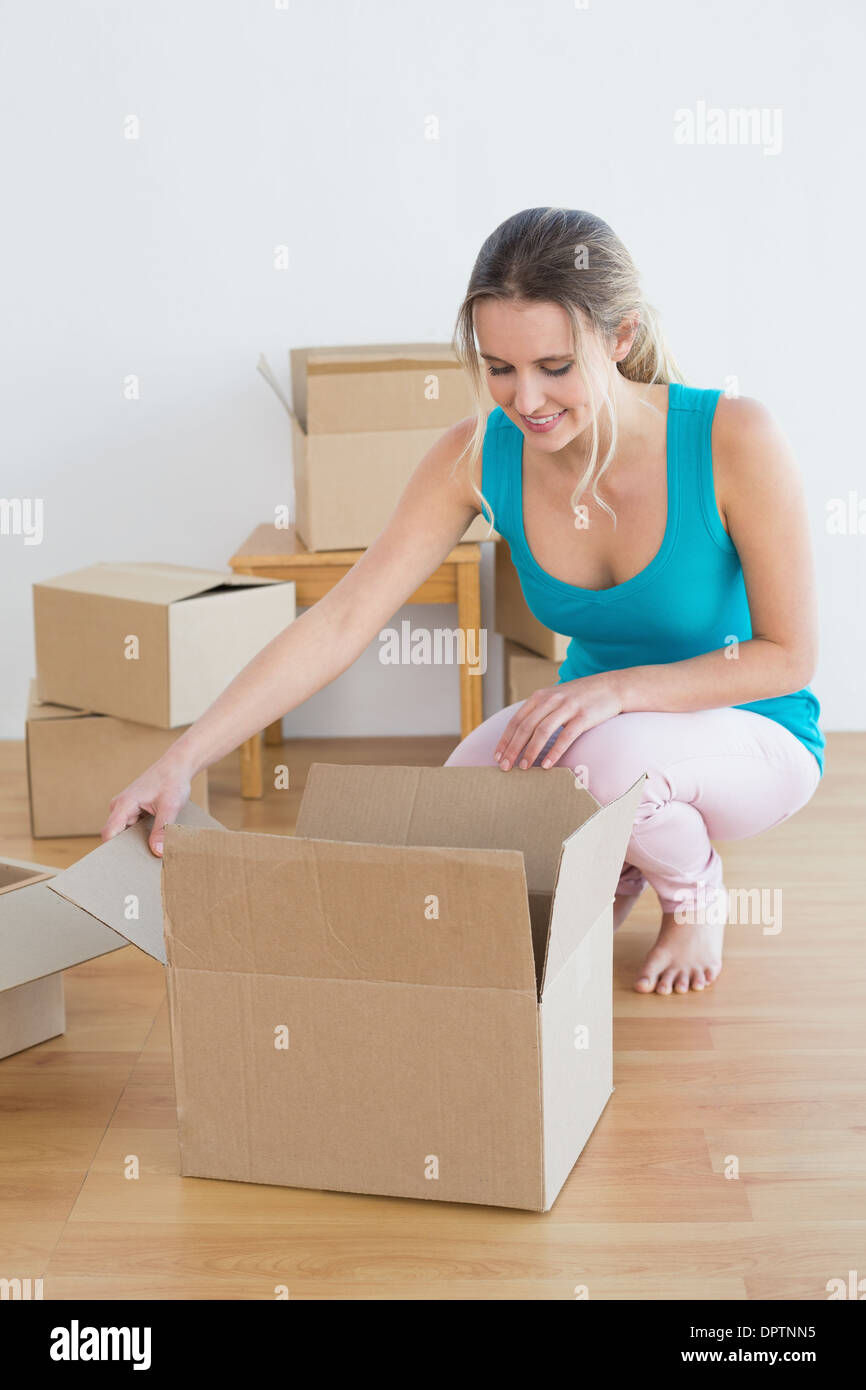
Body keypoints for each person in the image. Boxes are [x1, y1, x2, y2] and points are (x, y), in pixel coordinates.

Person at [102, 206, 824, 998]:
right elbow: (342, 620)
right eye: (499, 367)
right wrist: (181, 760)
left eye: (555, 365)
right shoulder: (477, 456)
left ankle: (694, 891)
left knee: (608, 767)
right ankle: (615, 866)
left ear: (619, 339)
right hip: (597, 734)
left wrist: (616, 690)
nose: (526, 398)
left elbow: (788, 656)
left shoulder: (732, 439)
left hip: (755, 735)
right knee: (456, 804)